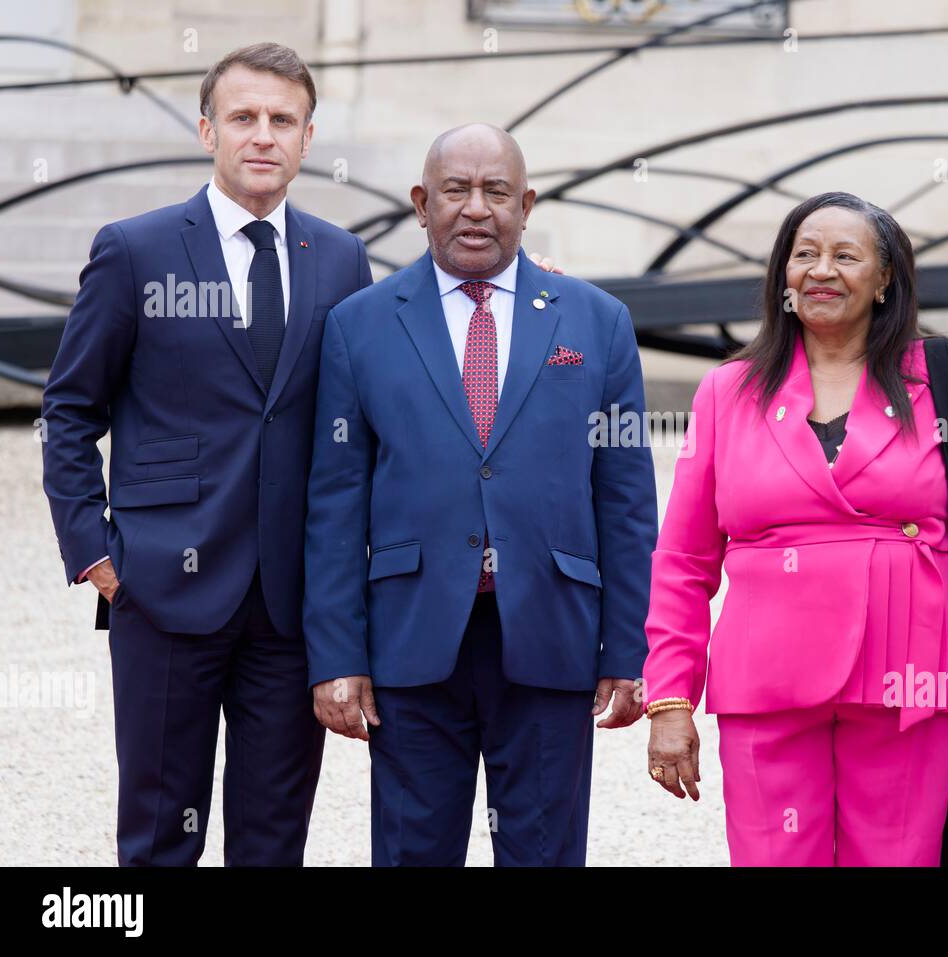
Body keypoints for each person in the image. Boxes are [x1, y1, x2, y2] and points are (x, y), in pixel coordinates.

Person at [40, 43, 372, 865]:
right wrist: (95, 555)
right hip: (161, 592)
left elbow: (379, 399)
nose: (263, 135)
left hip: (292, 607)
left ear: (306, 137)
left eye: (282, 120)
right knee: (157, 836)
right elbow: (69, 409)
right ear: (207, 129)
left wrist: (514, 280)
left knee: (272, 841)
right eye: (243, 117)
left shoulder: (340, 258)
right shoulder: (135, 251)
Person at [302, 123, 658, 866]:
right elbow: (334, 504)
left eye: (496, 190)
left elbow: (624, 502)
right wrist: (337, 652)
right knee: (412, 852)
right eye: (455, 190)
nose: (475, 207)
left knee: (542, 853)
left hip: (551, 637)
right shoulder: (358, 326)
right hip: (411, 641)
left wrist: (627, 648)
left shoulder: (598, 321)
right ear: (420, 203)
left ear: (525, 205)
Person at [642, 191, 948, 866]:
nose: (822, 270)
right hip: (766, 681)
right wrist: (671, 696)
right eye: (805, 254)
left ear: (885, 280)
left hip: (912, 678)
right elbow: (683, 559)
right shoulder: (727, 391)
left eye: (846, 256)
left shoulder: (947, 380)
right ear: (783, 274)